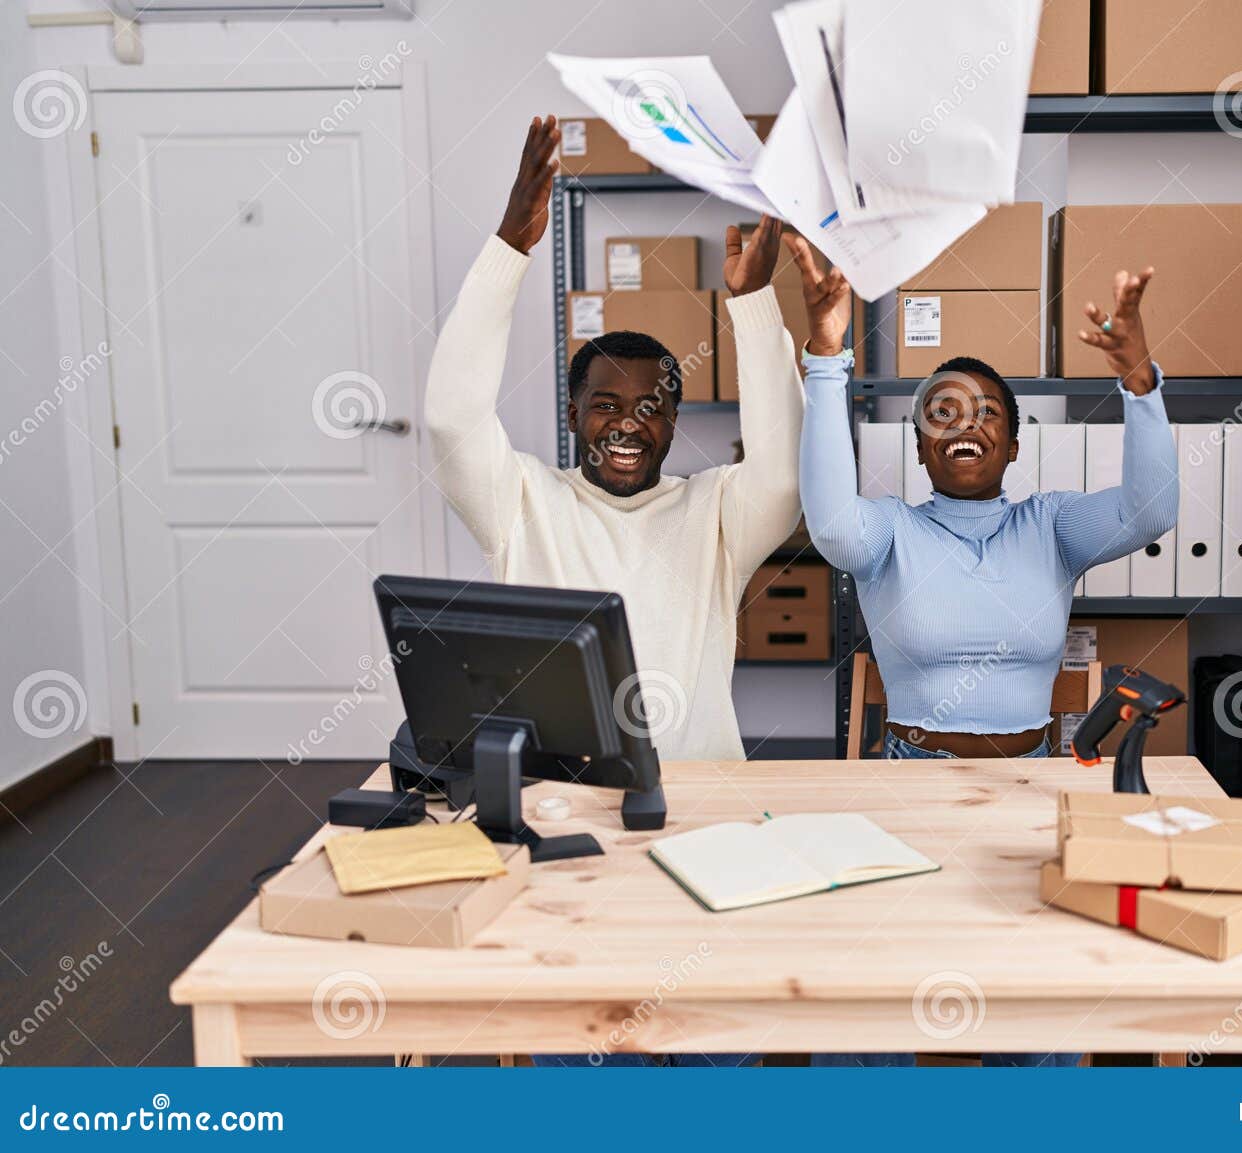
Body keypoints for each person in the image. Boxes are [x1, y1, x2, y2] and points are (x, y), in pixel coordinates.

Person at [794, 239, 1179, 1066]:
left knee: (1041, 1002)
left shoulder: (1051, 525)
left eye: (987, 415)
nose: (964, 424)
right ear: (923, 448)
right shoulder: (886, 530)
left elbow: (1150, 512)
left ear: (1010, 448)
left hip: (1033, 786)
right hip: (908, 790)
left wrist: (1139, 382)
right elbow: (826, 520)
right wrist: (827, 355)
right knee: (874, 1005)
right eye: (941, 412)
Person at [426, 116, 804, 766]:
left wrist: (755, 306)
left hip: (700, 797)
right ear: (573, 416)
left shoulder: (713, 511)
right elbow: (451, 419)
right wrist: (510, 246)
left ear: (673, 420)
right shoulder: (521, 500)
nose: (628, 422)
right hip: (560, 795)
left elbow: (782, 476)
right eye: (606, 405)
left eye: (650, 406)